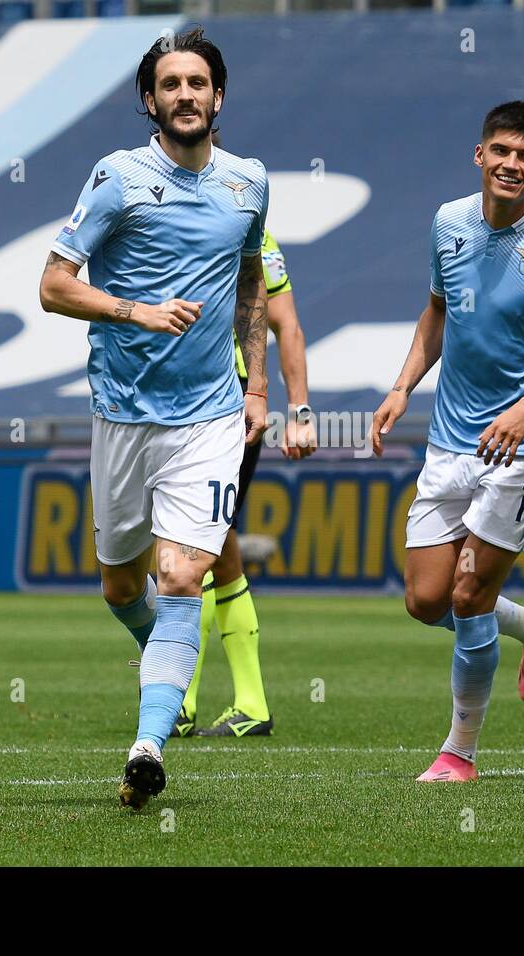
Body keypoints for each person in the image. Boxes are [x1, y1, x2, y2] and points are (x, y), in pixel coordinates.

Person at [38, 27, 269, 811]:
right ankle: (166, 673)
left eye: (197, 83)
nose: (185, 95)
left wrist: (259, 388)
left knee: (182, 576)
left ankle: (147, 742)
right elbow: (53, 285)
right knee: (118, 585)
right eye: (170, 84)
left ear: (218, 97)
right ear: (150, 100)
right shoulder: (117, 178)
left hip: (209, 415)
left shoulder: (250, 183)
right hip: (123, 415)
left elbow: (251, 288)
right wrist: (134, 311)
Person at [370, 101, 524, 783]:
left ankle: (460, 753)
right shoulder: (448, 223)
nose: (512, 165)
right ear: (479, 155)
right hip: (451, 442)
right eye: (501, 151)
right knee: (427, 600)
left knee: (470, 596)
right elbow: (437, 313)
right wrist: (401, 387)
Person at [174, 226, 317, 739]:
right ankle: (247, 702)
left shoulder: (250, 233)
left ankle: (181, 701)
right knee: (216, 539)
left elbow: (286, 325)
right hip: (175, 401)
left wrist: (299, 410)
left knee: (193, 541)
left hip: (225, 401)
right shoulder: (155, 212)